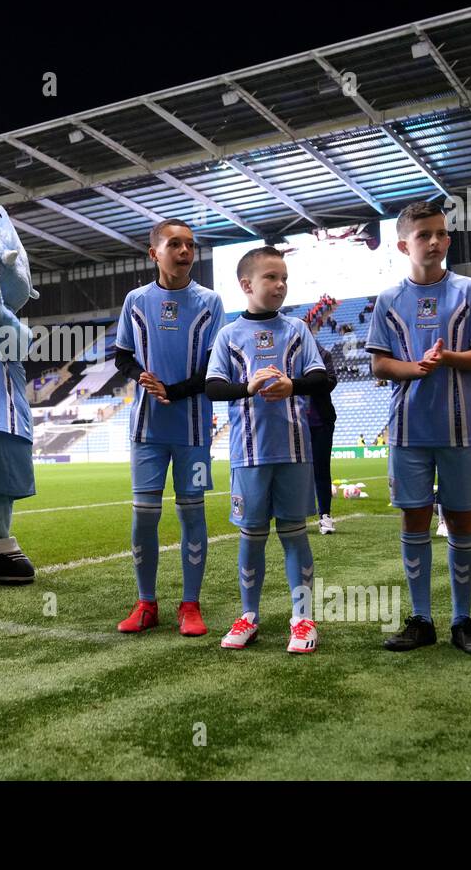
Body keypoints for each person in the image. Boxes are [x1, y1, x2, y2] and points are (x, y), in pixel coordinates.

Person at [366, 202, 471, 659]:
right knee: (414, 520)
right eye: (425, 235)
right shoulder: (388, 299)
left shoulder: (469, 290)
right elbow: (379, 363)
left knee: (462, 521)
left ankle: (463, 621)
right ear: (404, 244)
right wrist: (414, 368)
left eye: (442, 234)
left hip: (461, 429)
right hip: (406, 429)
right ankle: (421, 619)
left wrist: (448, 359)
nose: (436, 242)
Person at [206, 246, 328, 653]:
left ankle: (303, 618)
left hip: (294, 451)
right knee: (251, 537)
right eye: (271, 278)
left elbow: (321, 379)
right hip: (248, 453)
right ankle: (249, 616)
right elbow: (212, 387)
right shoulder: (228, 334)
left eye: (284, 278)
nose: (280, 285)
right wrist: (248, 388)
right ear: (247, 285)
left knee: (295, 535)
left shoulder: (297, 329)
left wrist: (293, 385)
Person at [112, 218, 224, 636]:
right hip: (147, 429)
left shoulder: (211, 301)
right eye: (174, 244)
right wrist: (142, 376)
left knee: (192, 514)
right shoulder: (135, 301)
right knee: (144, 517)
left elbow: (216, 366)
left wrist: (172, 391)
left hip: (194, 428)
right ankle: (146, 604)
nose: (184, 252)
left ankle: (190, 606)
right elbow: (122, 355)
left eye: (190, 245)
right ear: (154, 252)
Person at [306, 346, 339, 534]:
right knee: (293, 472)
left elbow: (331, 381)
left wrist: (304, 383)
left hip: (320, 422)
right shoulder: (285, 353)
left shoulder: (323, 354)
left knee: (321, 470)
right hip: (293, 422)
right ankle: (295, 515)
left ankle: (325, 515)